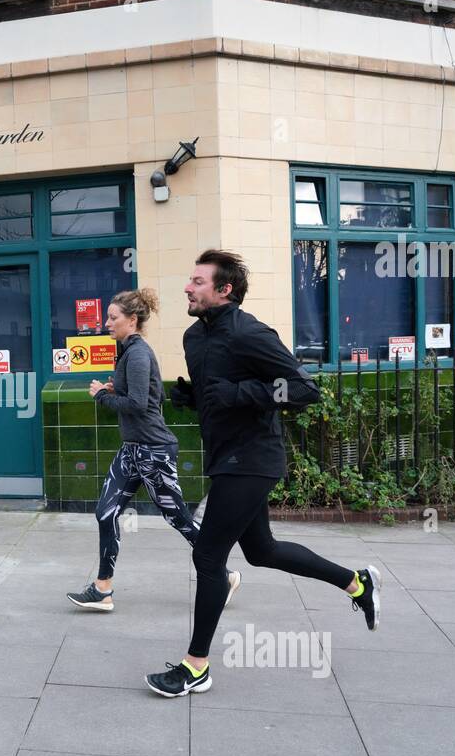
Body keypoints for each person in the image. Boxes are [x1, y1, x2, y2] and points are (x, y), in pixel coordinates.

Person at [146, 249, 380, 697]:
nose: (187, 288)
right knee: (261, 551)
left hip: (252, 458)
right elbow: (220, 390)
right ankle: (356, 582)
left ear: (223, 289)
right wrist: (195, 397)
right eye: (190, 281)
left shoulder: (249, 332)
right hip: (226, 455)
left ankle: (195, 666)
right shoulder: (195, 338)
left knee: (208, 557)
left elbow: (304, 388)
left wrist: (239, 393)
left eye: (197, 281)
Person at [66, 289, 240, 612]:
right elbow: (152, 394)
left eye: (113, 318)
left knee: (178, 518)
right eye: (107, 317)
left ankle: (224, 574)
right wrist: (115, 386)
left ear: (131, 321)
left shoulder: (138, 354)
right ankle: (103, 589)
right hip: (132, 450)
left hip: (153, 451)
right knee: (105, 512)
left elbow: (139, 403)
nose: (107, 323)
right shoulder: (128, 352)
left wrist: (101, 396)